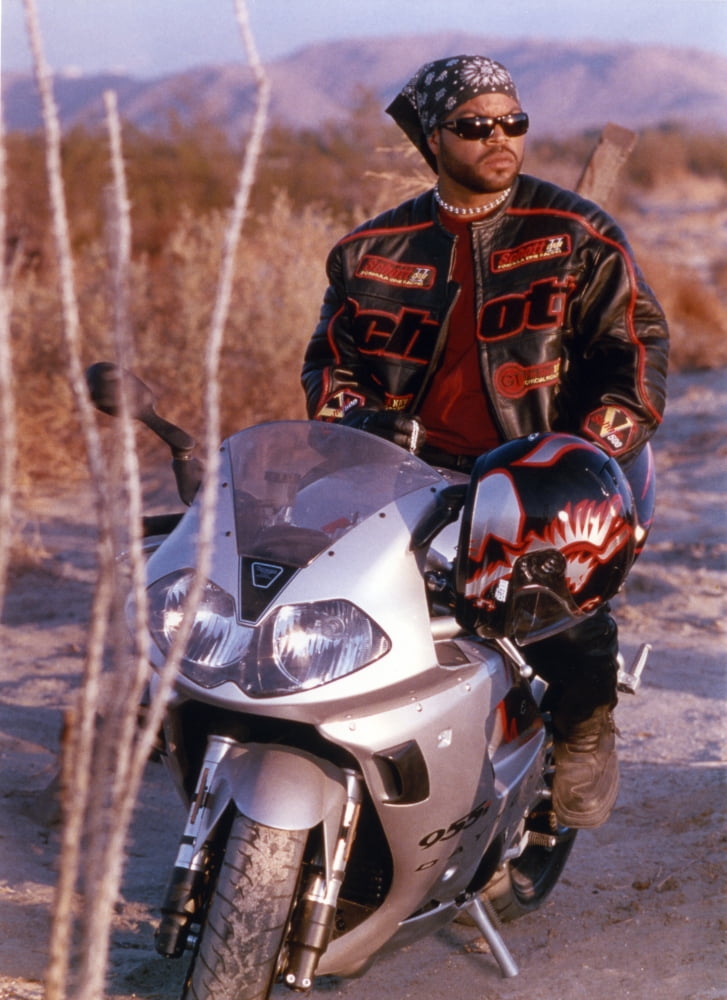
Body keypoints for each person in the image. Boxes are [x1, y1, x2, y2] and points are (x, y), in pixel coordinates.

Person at [301, 55, 669, 828]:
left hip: (543, 462)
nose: (499, 137)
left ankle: (584, 726)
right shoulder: (370, 250)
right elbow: (331, 365)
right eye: (475, 126)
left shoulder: (574, 232)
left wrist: (587, 453)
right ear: (432, 138)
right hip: (412, 469)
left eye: (512, 122)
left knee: (555, 605)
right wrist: (353, 421)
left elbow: (633, 353)